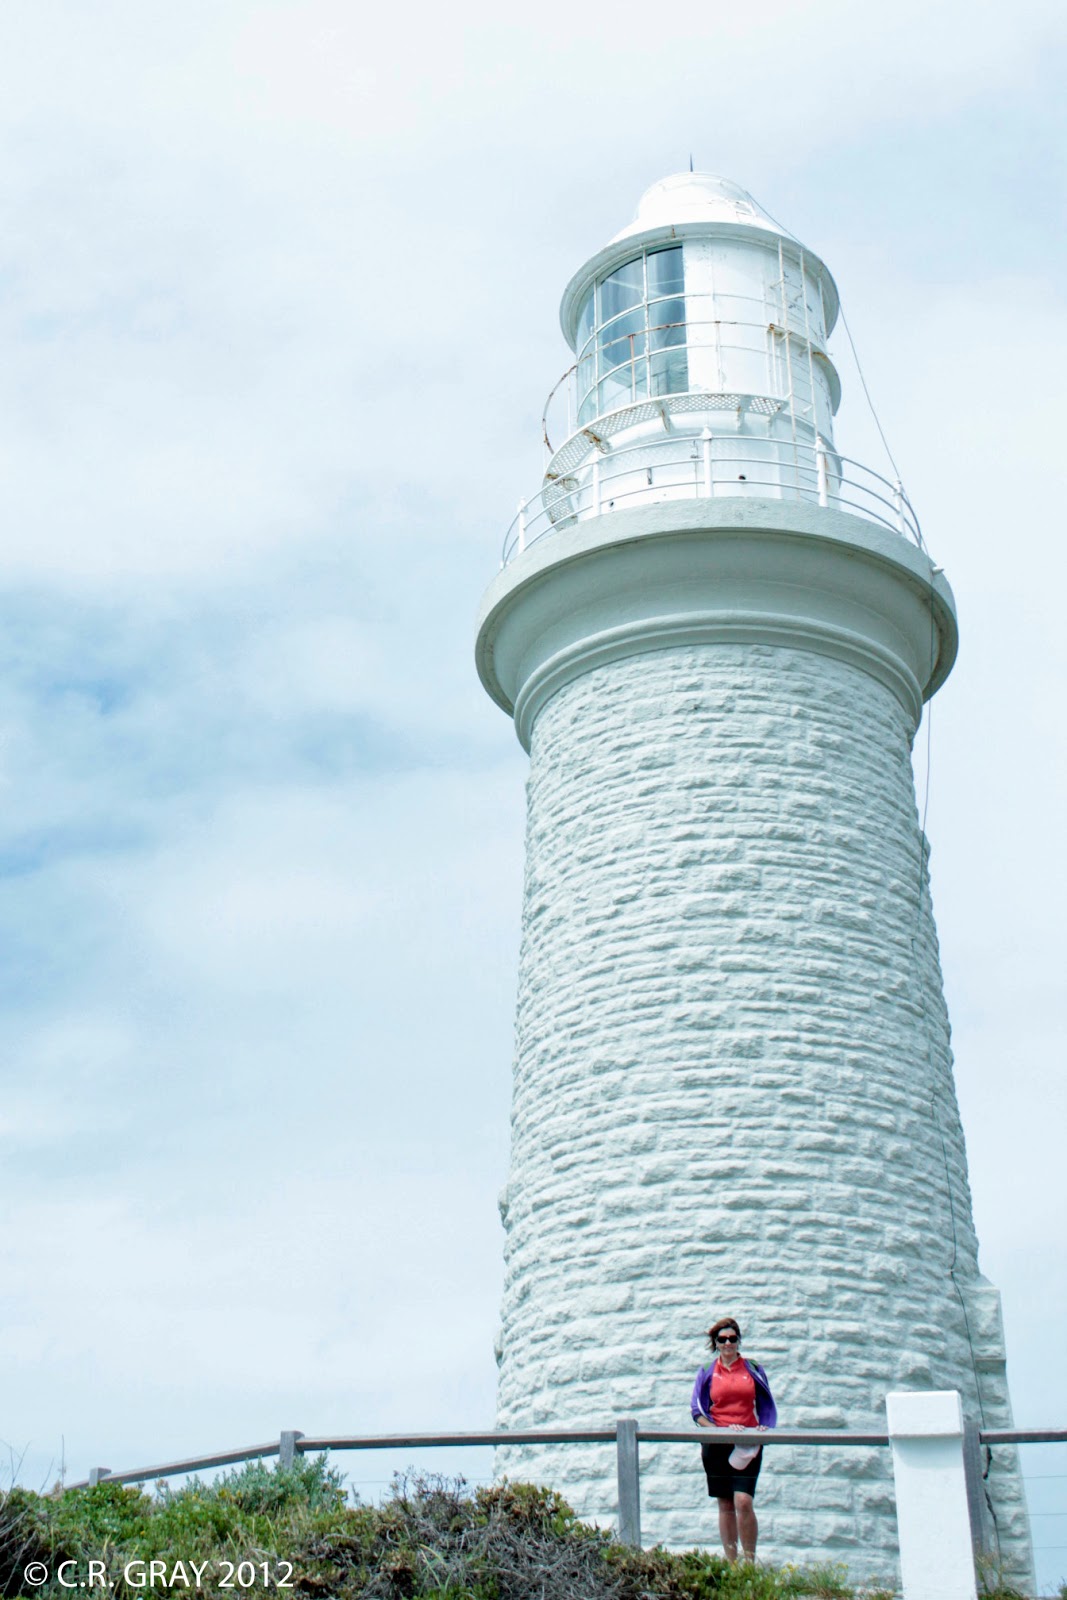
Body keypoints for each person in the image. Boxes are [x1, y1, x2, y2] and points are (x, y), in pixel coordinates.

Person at [690, 1316, 777, 1563]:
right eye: (722, 1339)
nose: (728, 1343)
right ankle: (732, 1564)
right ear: (715, 1343)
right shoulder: (707, 1371)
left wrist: (765, 1428)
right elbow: (697, 1410)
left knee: (743, 1500)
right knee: (726, 1504)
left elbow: (765, 1402)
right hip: (717, 1444)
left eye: (732, 1339)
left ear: (738, 1341)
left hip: (746, 1443)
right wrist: (719, 1431)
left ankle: (749, 1562)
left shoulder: (753, 1368)